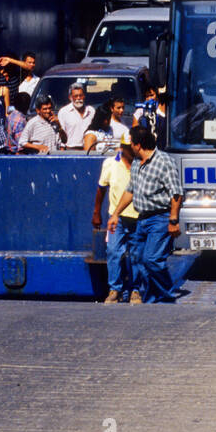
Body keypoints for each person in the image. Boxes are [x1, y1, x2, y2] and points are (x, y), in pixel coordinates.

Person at [107, 125, 182, 304]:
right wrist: (116, 213)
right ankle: (151, 299)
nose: (129, 146)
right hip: (142, 219)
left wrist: (173, 220)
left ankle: (166, 295)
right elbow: (130, 191)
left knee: (152, 259)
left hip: (160, 218)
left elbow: (176, 194)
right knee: (139, 260)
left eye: (131, 143)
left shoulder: (164, 162)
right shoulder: (136, 163)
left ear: (138, 145)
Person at [94, 141, 140, 303]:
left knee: (136, 255)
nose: (132, 150)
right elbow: (101, 189)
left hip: (137, 216)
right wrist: (96, 212)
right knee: (113, 251)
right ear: (122, 148)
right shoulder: (110, 164)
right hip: (117, 217)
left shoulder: (142, 163)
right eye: (129, 147)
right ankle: (115, 289)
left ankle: (136, 289)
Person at [59, 81, 95, 147]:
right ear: (70, 97)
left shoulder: (91, 111)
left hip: (88, 150)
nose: (78, 98)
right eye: (76, 96)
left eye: (80, 95)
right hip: (70, 150)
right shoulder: (64, 112)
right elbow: (61, 136)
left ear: (84, 96)